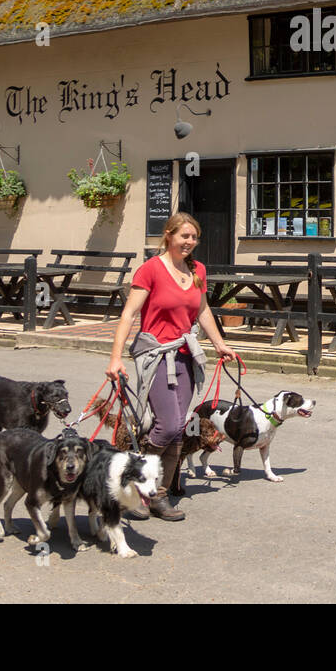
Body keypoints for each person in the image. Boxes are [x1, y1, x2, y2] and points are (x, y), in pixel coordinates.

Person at [106, 212, 234, 520]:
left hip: (185, 356)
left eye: (194, 237)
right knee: (170, 425)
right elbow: (128, 315)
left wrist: (218, 342)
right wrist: (115, 357)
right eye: (184, 236)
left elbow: (202, 310)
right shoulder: (150, 270)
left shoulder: (197, 270)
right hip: (157, 355)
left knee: (177, 429)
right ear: (169, 235)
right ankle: (135, 486)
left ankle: (159, 496)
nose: (190, 242)